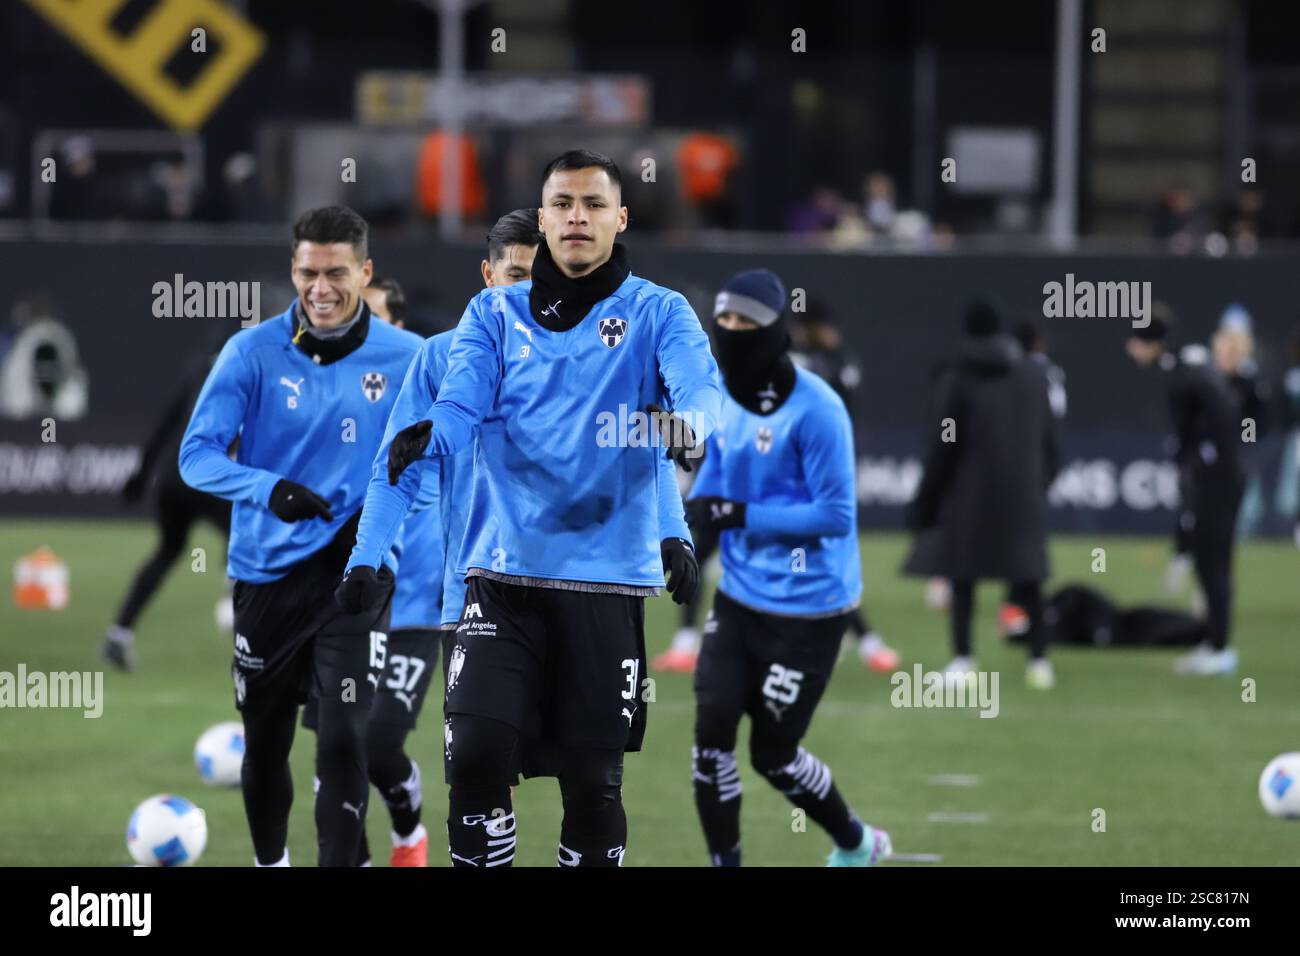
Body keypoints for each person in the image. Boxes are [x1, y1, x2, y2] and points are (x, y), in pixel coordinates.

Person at [345, 150, 720, 867]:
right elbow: (462, 403)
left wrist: (688, 440)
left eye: (593, 203)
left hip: (602, 588)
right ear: (544, 219)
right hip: (495, 581)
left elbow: (695, 393)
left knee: (592, 788)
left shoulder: (659, 312)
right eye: (563, 204)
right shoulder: (489, 315)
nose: (577, 216)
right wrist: (431, 437)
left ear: (620, 217)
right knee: (479, 762)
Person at [179, 205, 424, 866]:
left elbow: (438, 451)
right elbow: (196, 456)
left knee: (344, 736)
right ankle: (272, 863)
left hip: (355, 579)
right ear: (294, 270)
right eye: (309, 272)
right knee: (264, 745)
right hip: (265, 577)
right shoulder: (249, 352)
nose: (322, 287)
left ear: (364, 270)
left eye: (337, 272)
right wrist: (267, 489)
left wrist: (382, 531)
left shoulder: (409, 358)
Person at [684, 268, 890, 867]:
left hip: (811, 609)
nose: (732, 331)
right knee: (710, 741)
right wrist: (693, 534)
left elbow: (834, 515)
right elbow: (715, 485)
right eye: (724, 320)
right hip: (741, 598)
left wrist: (739, 513)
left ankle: (856, 844)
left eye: (746, 322)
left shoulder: (819, 409)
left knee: (773, 756)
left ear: (775, 330)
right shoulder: (717, 395)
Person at [902, 301, 1059, 689]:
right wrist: (1037, 483)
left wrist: (928, 498)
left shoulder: (958, 377)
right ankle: (1039, 662)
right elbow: (1051, 442)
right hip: (1021, 493)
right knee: (1029, 577)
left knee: (962, 576)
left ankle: (963, 660)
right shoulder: (1034, 377)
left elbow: (946, 441)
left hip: (968, 492)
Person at [1125, 303, 1245, 675]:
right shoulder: (1185, 366)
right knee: (1211, 562)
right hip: (1219, 473)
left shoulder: (1181, 373)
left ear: (1148, 342)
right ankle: (1213, 643)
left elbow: (1218, 415)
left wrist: (1201, 457)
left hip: (1217, 477)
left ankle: (1219, 648)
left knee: (1213, 563)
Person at [101, 346, 233, 671]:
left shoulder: (199, 367)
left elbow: (166, 422)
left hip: (173, 476)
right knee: (246, 538)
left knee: (167, 550)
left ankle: (119, 633)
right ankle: (237, 616)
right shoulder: (252, 365)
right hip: (210, 474)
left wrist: (141, 475)